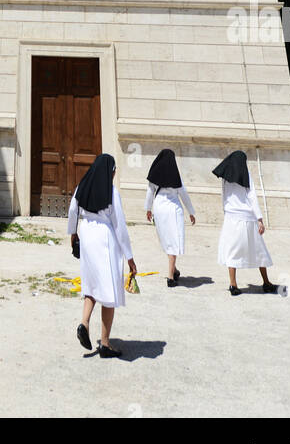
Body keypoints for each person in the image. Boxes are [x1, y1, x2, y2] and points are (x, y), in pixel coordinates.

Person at [67, 153, 137, 358]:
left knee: (92, 283)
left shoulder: (82, 186)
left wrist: (73, 233)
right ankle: (105, 344)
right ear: (110, 171)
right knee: (109, 290)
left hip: (86, 234)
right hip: (104, 238)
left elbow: (73, 210)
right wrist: (130, 257)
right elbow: (120, 227)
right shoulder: (112, 192)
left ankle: (84, 323)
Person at [213, 150, 277, 295]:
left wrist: (226, 212)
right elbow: (252, 197)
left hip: (231, 216)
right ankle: (266, 282)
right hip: (247, 216)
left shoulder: (225, 177)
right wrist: (259, 219)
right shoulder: (246, 175)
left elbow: (223, 196)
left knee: (232, 250)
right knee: (259, 250)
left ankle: (233, 284)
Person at [144, 148, 196, 286]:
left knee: (167, 241)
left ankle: (174, 270)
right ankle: (170, 277)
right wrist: (191, 212)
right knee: (173, 241)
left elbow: (149, 192)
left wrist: (148, 209)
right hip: (174, 210)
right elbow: (184, 195)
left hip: (160, 209)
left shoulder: (155, 176)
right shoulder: (176, 176)